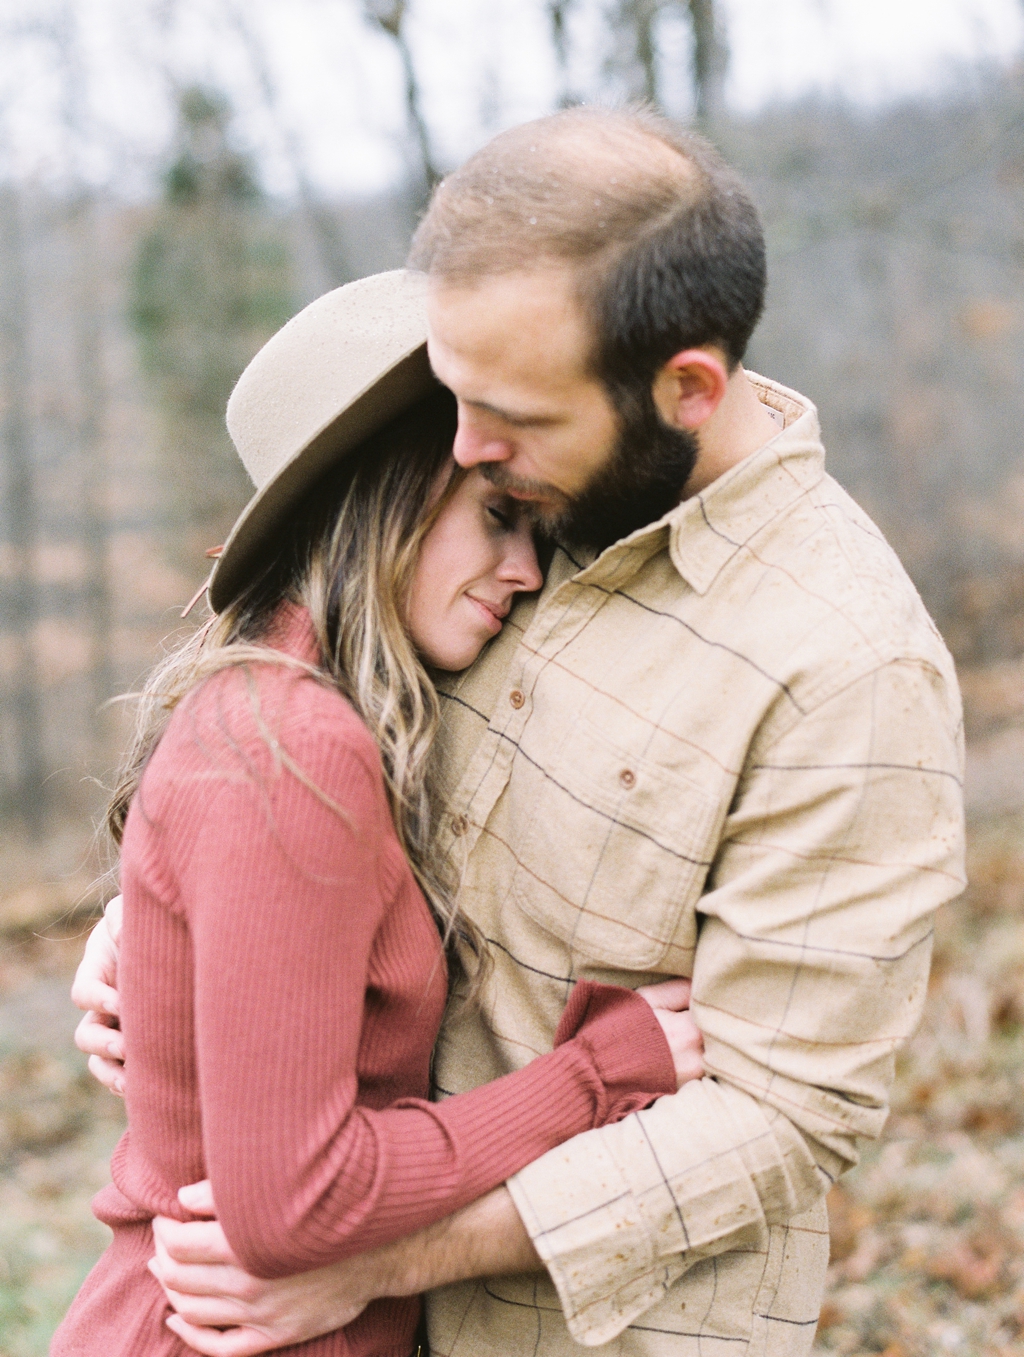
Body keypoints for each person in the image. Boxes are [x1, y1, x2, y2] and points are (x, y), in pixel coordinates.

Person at [74, 107, 966, 1357]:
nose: (464, 447)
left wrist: (382, 1256)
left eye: (511, 426)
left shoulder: (844, 663)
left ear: (684, 389)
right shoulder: (512, 507)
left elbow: (788, 1108)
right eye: (452, 399)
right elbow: (324, 775)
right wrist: (162, 946)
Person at [55, 269, 707, 1357]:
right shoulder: (288, 750)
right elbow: (292, 1205)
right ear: (387, 493)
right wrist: (596, 1075)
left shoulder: (312, 724)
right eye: (498, 517)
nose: (526, 571)